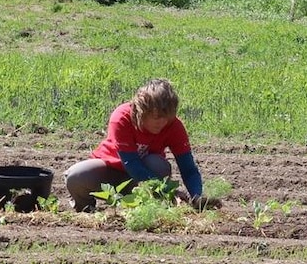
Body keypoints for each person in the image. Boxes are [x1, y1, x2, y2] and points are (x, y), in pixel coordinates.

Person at [65, 79, 204, 212]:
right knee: (76, 176)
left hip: (142, 178)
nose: (162, 122)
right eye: (156, 117)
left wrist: (196, 196)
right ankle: (86, 209)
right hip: (109, 170)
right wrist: (167, 190)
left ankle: (147, 206)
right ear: (142, 111)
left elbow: (189, 168)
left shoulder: (173, 125)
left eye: (166, 117)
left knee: (157, 164)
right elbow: (131, 163)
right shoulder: (122, 117)